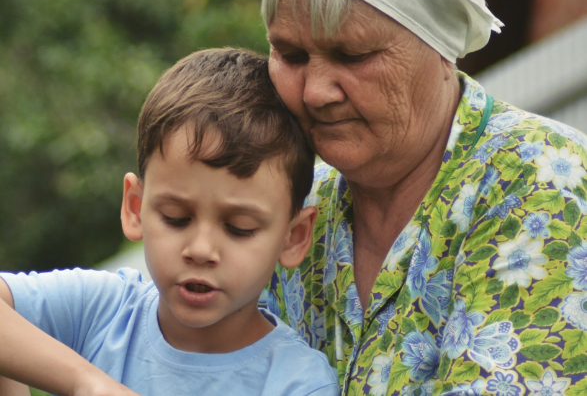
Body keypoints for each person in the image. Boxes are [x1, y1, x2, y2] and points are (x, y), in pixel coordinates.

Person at [259, 0, 587, 396]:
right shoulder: (291, 204)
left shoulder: (538, 180)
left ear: (436, 44)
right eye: (291, 55)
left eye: (352, 54)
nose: (316, 90)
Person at [0, 48, 340, 396]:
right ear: (135, 208)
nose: (201, 250)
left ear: (293, 237)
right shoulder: (104, 311)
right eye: (176, 219)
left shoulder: (299, 382)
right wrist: (86, 382)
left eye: (239, 228)